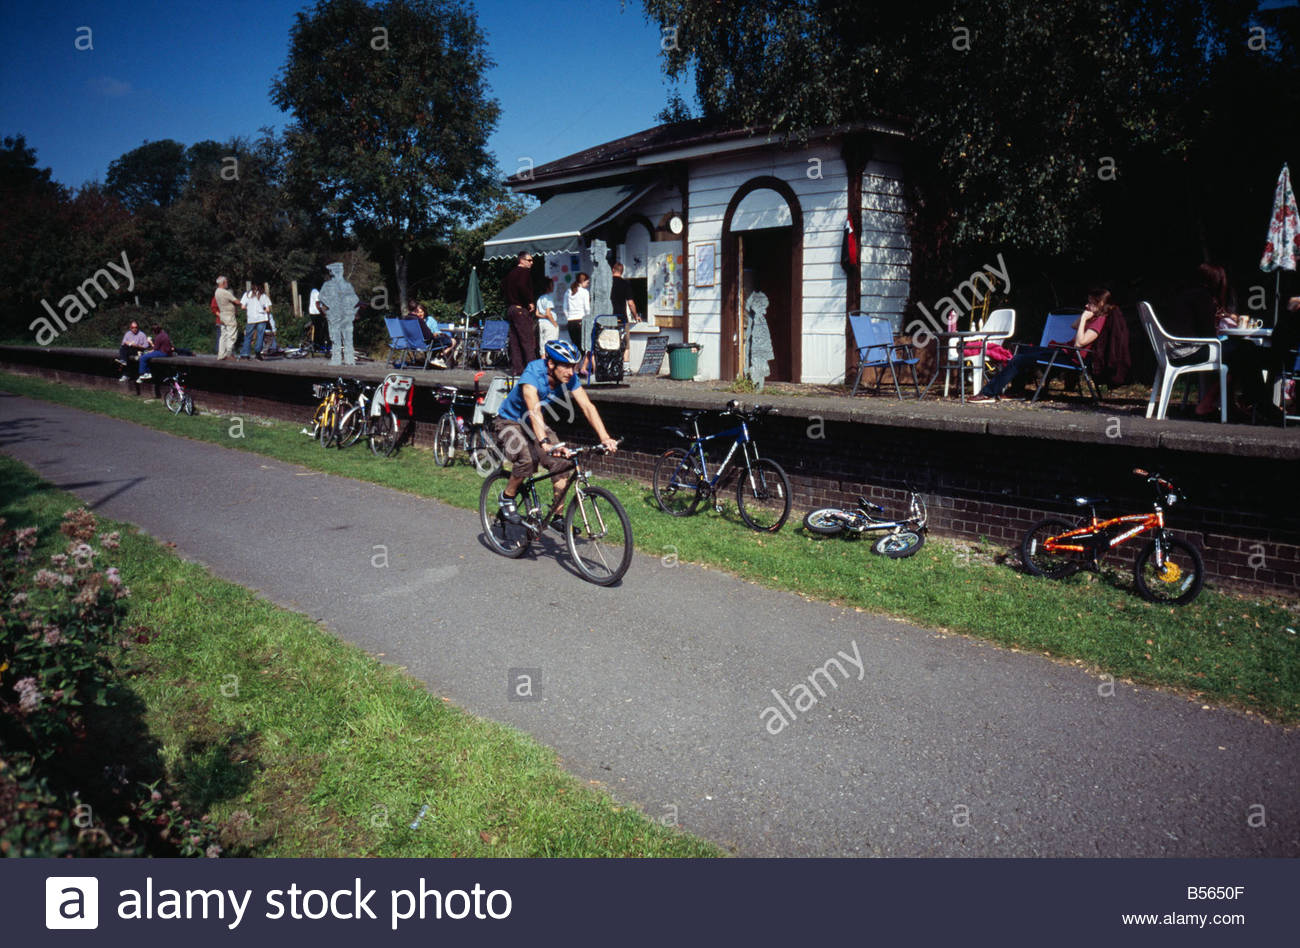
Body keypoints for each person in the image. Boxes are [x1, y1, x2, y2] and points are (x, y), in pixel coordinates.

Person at [492, 339, 618, 526]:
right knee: (527, 458)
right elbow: (534, 410)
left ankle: (557, 517)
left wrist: (605, 437)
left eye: (573, 367)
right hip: (509, 422)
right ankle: (507, 497)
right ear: (551, 363)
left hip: (534, 423)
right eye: (566, 366)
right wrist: (544, 442)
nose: (571, 372)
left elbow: (587, 407)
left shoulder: (570, 378)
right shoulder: (533, 373)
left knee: (562, 463)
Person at [968, 288, 1118, 402]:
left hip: (1072, 357)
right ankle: (1017, 391)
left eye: (1091, 303)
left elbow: (1079, 343)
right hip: (1065, 352)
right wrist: (1085, 315)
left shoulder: (1100, 321)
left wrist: (1085, 318)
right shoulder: (1095, 317)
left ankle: (988, 393)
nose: (1087, 305)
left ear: (1101, 304)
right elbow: (1073, 325)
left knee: (1020, 359)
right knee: (1022, 350)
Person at [318, 262, 359, 366]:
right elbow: (322, 297)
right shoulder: (329, 285)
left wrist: (345, 306)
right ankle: (341, 359)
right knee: (337, 338)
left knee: (345, 338)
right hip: (336, 316)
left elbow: (355, 299)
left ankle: (347, 359)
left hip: (344, 316)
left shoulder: (345, 285)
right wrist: (332, 306)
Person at [503, 250, 537, 374]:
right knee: (528, 341)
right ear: (521, 260)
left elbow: (504, 289)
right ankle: (533, 370)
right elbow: (522, 286)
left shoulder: (510, 274)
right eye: (529, 260)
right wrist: (529, 301)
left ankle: (517, 369)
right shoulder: (524, 272)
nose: (532, 263)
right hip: (520, 309)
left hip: (511, 309)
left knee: (515, 341)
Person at [609, 261, 639, 366]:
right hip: (621, 317)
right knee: (625, 344)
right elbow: (630, 303)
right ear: (622, 271)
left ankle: (610, 365)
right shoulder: (625, 283)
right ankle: (625, 367)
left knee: (609, 342)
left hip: (607, 318)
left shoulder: (607, 283)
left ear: (613, 270)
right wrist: (636, 316)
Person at [566, 272, 592, 374]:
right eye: (587, 282)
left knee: (575, 346)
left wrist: (568, 316)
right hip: (580, 320)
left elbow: (565, 307)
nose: (588, 284)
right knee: (582, 347)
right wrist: (589, 317)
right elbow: (587, 308)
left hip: (570, 321)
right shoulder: (584, 292)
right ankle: (575, 369)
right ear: (583, 281)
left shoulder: (568, 291)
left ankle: (574, 368)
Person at [240, 282, 272, 360]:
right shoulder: (263, 296)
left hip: (251, 318)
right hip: (261, 318)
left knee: (248, 336)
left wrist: (250, 308)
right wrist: (262, 310)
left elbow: (242, 307)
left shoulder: (247, 295)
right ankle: (258, 353)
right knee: (260, 336)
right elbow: (268, 309)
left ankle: (245, 354)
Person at [213, 276, 242, 360]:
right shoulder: (225, 292)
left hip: (222, 314)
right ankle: (229, 353)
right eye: (226, 282)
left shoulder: (216, 292)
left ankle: (221, 354)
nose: (227, 284)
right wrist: (244, 303)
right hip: (229, 315)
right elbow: (236, 301)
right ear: (223, 283)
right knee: (232, 334)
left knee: (223, 335)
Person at [537, 277, 560, 349]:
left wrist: (545, 316)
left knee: (542, 344)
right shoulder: (549, 298)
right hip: (550, 324)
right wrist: (555, 324)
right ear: (548, 287)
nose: (553, 287)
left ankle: (543, 358)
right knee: (551, 345)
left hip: (541, 323)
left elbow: (537, 314)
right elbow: (548, 313)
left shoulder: (540, 298)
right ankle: (549, 360)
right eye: (552, 285)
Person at [308, 286, 329, 354]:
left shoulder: (316, 291)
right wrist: (324, 313)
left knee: (321, 329)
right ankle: (317, 346)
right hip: (315, 313)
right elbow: (318, 305)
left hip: (315, 313)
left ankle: (320, 345)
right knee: (319, 329)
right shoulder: (316, 292)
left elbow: (322, 304)